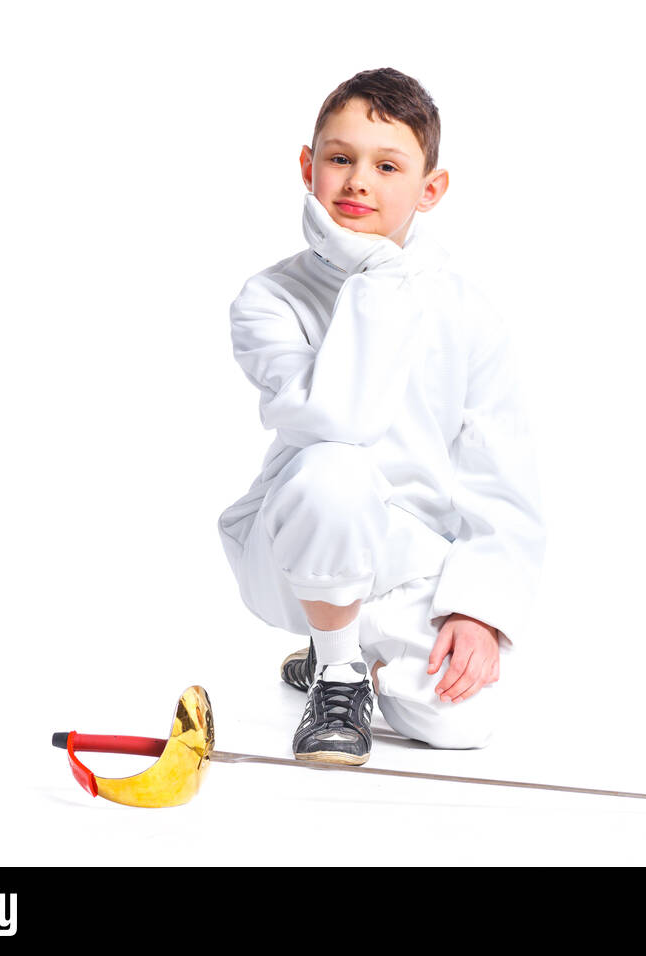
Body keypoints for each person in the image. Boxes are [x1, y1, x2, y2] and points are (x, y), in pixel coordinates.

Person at [217, 68, 545, 766]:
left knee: (463, 720)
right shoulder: (269, 299)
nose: (359, 181)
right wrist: (376, 274)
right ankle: (336, 669)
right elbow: (340, 419)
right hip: (294, 537)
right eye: (340, 159)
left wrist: (476, 609)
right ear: (309, 168)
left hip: (405, 561)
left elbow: (499, 478)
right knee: (336, 468)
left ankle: (350, 642)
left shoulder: (469, 314)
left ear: (431, 190)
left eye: (387, 165)